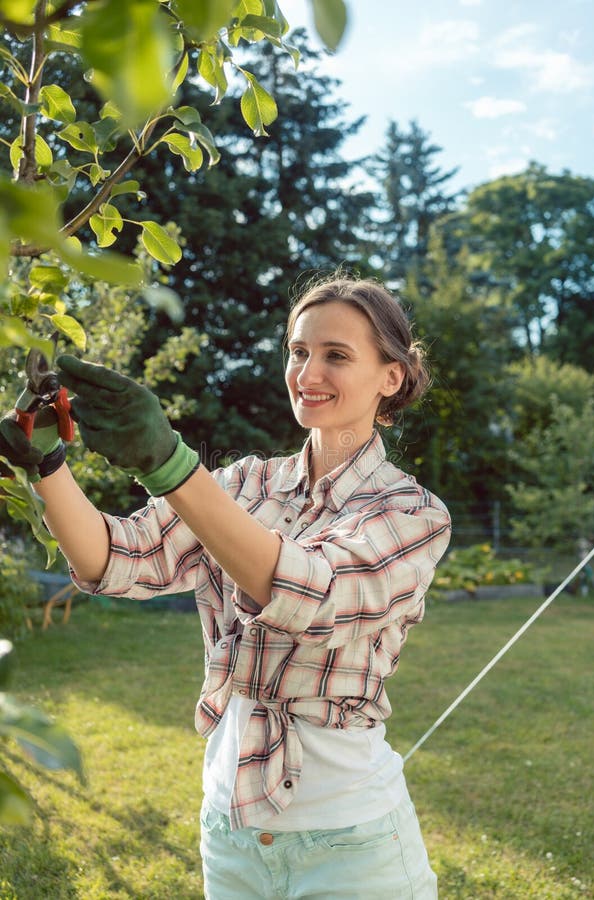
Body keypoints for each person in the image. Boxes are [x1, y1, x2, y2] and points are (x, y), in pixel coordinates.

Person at [0, 275, 451, 899]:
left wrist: (172, 466)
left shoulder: (412, 513)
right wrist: (46, 466)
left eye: (336, 355)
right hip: (229, 832)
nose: (308, 371)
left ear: (391, 377)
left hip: (350, 842)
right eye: (298, 351)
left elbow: (308, 594)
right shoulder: (244, 485)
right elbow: (119, 558)